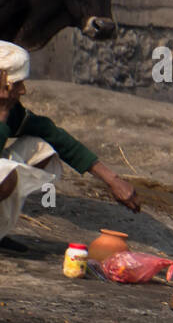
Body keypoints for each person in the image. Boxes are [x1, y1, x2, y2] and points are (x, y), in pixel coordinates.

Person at [0, 42, 139, 250]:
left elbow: (52, 134)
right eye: (17, 83)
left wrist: (112, 180)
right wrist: (2, 112)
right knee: (6, 173)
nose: (23, 90)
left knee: (42, 148)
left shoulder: (12, 110)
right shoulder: (5, 108)